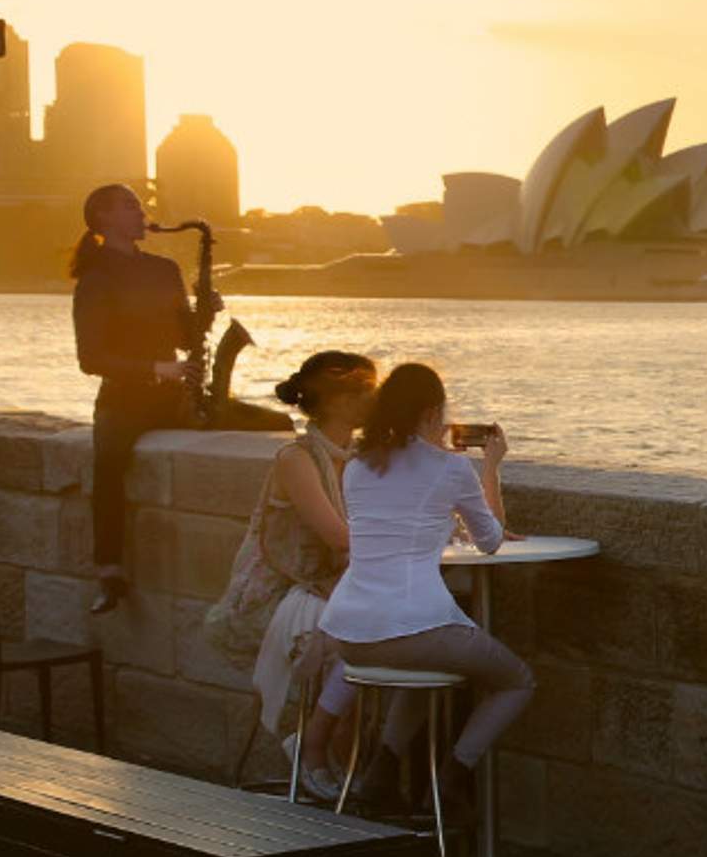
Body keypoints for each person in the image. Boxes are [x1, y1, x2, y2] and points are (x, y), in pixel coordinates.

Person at [318, 363, 529, 821]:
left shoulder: (356, 465)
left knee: (424, 658)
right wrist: (491, 465)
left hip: (348, 629)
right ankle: (452, 777)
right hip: (412, 623)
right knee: (516, 681)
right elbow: (490, 540)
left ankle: (381, 773)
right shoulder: (451, 468)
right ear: (434, 411)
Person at [203, 351, 377, 804]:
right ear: (337, 400)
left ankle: (345, 758)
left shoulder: (361, 457)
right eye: (366, 389)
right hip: (276, 596)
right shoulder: (296, 459)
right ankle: (318, 752)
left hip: (334, 589)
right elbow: (339, 538)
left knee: (392, 626)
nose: (374, 398)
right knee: (365, 633)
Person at [71, 183, 217, 613]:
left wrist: (206, 309)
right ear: (103, 219)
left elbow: (185, 336)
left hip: (175, 394)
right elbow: (90, 358)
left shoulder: (164, 269)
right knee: (109, 468)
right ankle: (109, 570)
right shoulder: (96, 278)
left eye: (140, 204)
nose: (142, 211)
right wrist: (157, 369)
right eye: (131, 205)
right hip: (124, 399)